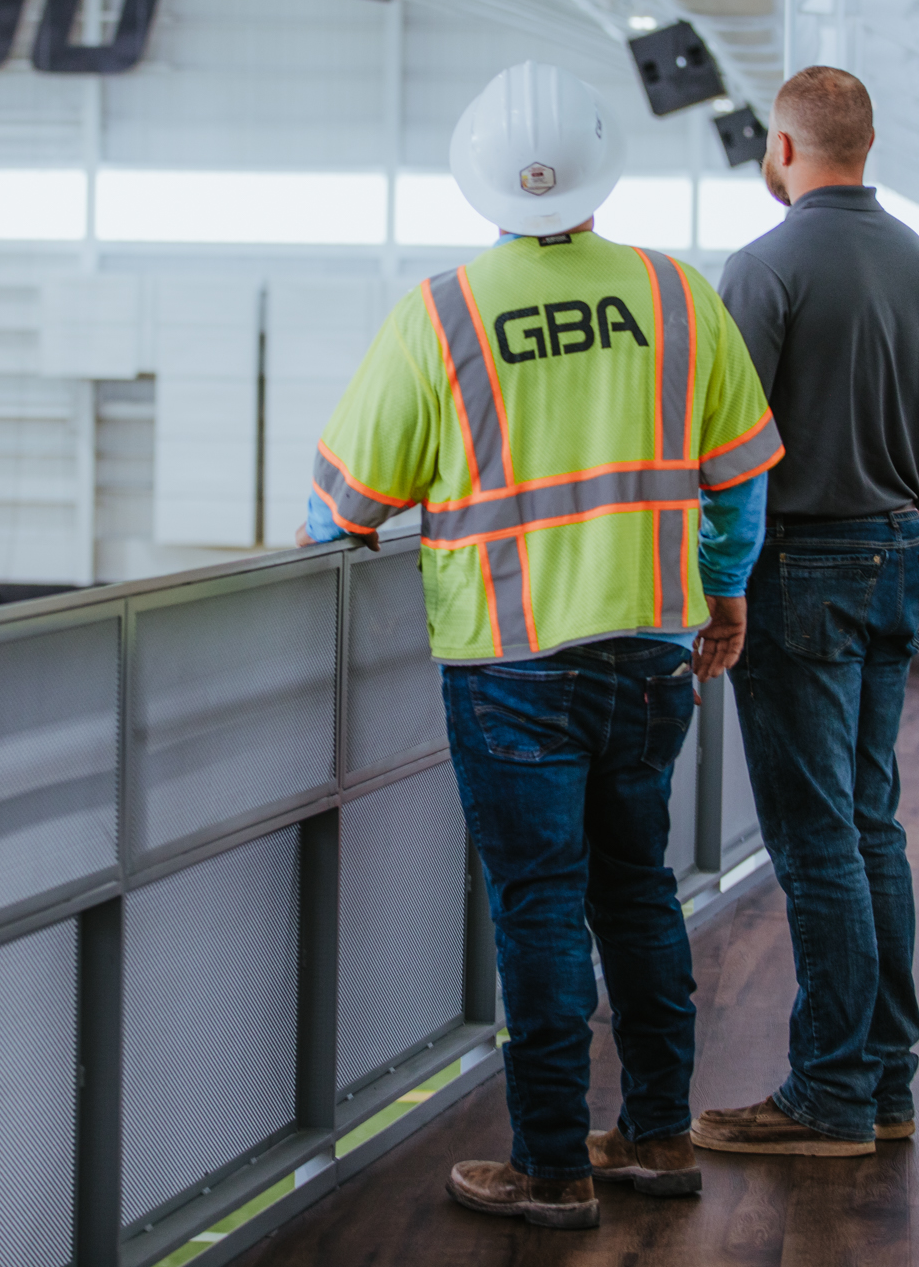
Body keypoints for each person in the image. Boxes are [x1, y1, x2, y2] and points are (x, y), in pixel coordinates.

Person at [296, 62, 783, 1229]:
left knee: (538, 910)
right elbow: (741, 487)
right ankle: (661, 1136)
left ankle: (554, 1163)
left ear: (483, 188)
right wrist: (722, 597)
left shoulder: (442, 315)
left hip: (509, 671)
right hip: (655, 653)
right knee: (640, 897)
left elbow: (340, 510)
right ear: (601, 177)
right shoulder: (676, 298)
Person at [691, 66, 919, 1161]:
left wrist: (724, 588)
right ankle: (885, 1078)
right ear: (869, 142)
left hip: (804, 568)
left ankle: (831, 1093)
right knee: (871, 819)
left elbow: (731, 457)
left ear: (783, 152)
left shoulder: (764, 268)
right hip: (901, 551)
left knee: (814, 840)